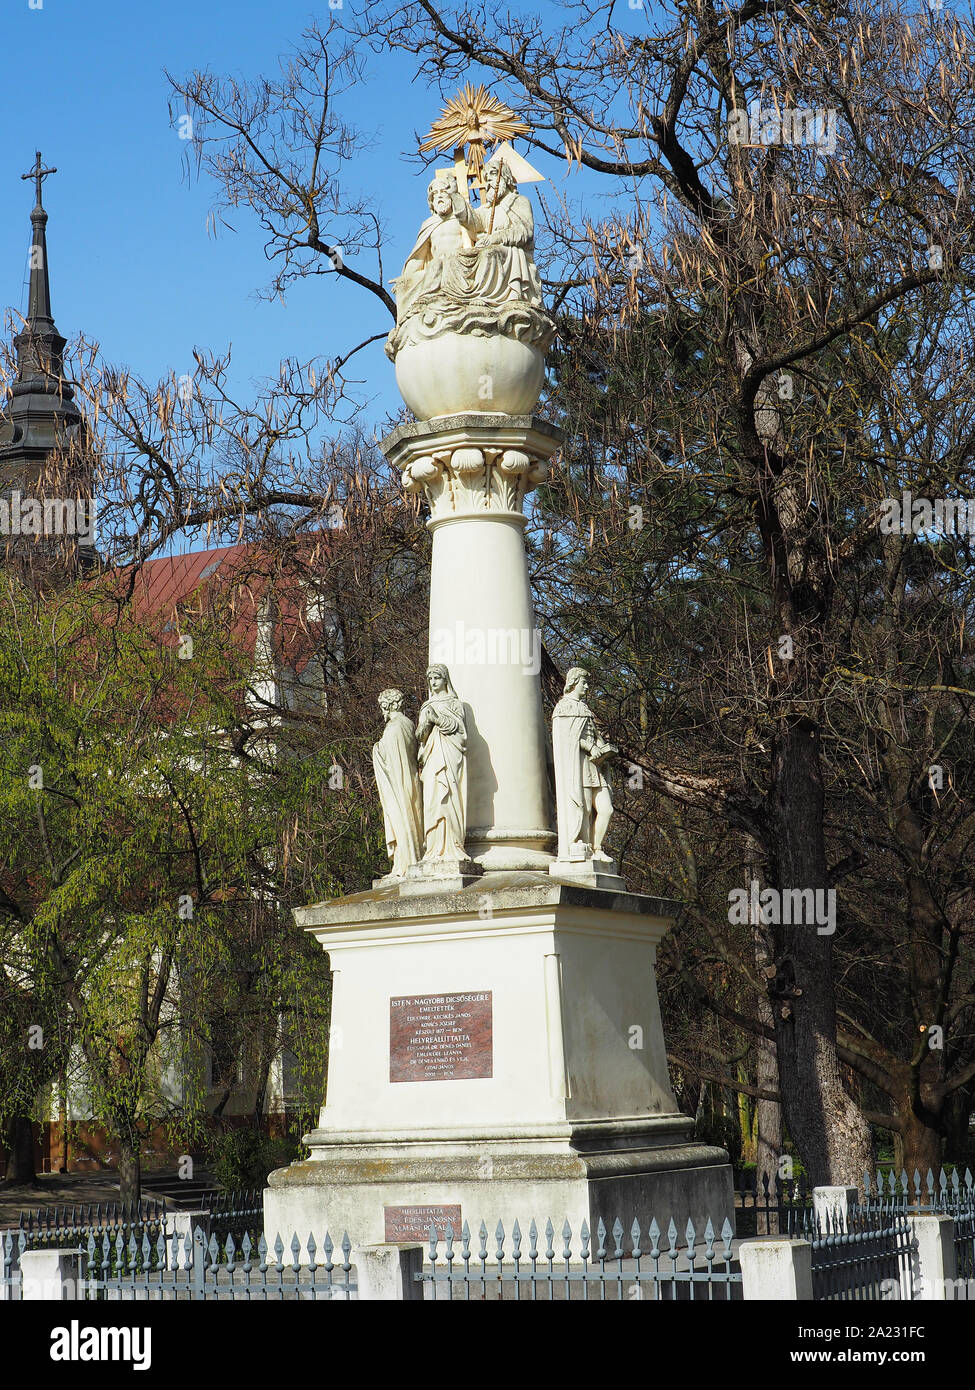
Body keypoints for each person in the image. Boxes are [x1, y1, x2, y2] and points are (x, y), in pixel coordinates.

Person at [551, 667, 617, 862]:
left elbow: (592, 733)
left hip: (594, 766)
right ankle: (585, 849)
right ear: (573, 683)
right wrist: (590, 746)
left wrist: (602, 747)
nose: (587, 687)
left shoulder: (584, 708)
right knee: (585, 809)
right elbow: (567, 739)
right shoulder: (563, 707)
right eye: (584, 683)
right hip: (578, 766)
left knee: (606, 809)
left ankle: (597, 848)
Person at [415, 664, 468, 861]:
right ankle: (434, 847)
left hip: (449, 755)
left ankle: (452, 844)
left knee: (449, 798)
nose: (433, 682)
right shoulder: (426, 706)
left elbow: (461, 731)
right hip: (431, 757)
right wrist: (427, 723)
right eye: (430, 679)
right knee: (432, 800)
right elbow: (420, 736)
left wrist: (437, 719)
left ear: (445, 679)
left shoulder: (455, 704)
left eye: (436, 678)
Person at [372, 688, 423, 877]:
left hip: (398, 785)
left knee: (402, 821)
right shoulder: (408, 724)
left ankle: (405, 864)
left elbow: (393, 761)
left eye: (382, 705)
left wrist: (377, 749)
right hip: (410, 782)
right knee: (411, 821)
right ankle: (408, 861)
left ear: (387, 705)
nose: (382, 710)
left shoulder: (394, 728)